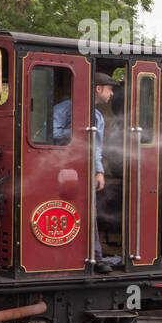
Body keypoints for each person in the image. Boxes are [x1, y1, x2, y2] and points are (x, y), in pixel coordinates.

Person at [52, 71, 120, 272]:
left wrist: (99, 171)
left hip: (85, 169)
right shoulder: (63, 109)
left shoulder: (98, 116)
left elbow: (96, 147)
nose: (112, 94)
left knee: (90, 210)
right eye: (110, 89)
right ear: (98, 89)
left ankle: (96, 257)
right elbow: (48, 132)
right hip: (61, 168)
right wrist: (75, 131)